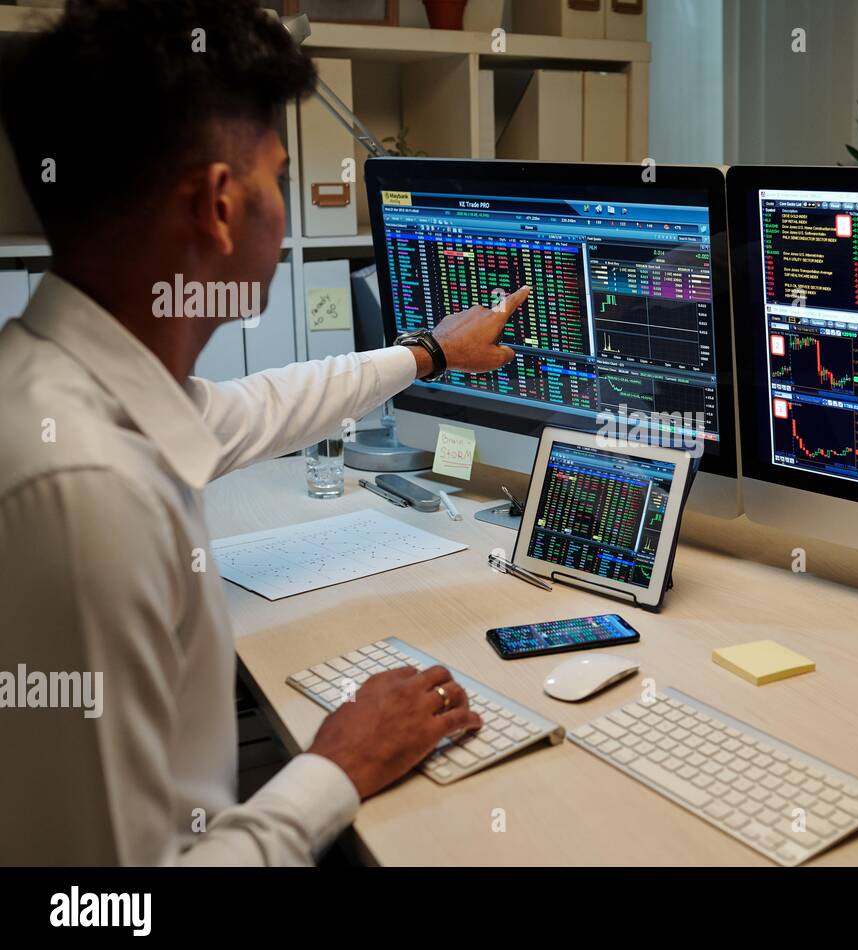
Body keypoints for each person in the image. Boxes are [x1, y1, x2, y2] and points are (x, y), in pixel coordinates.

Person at [0, 0, 525, 864]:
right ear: (217, 206)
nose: (283, 211)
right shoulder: (84, 493)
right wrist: (335, 768)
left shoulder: (72, 385)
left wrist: (428, 353)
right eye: (278, 177)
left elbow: (262, 405)